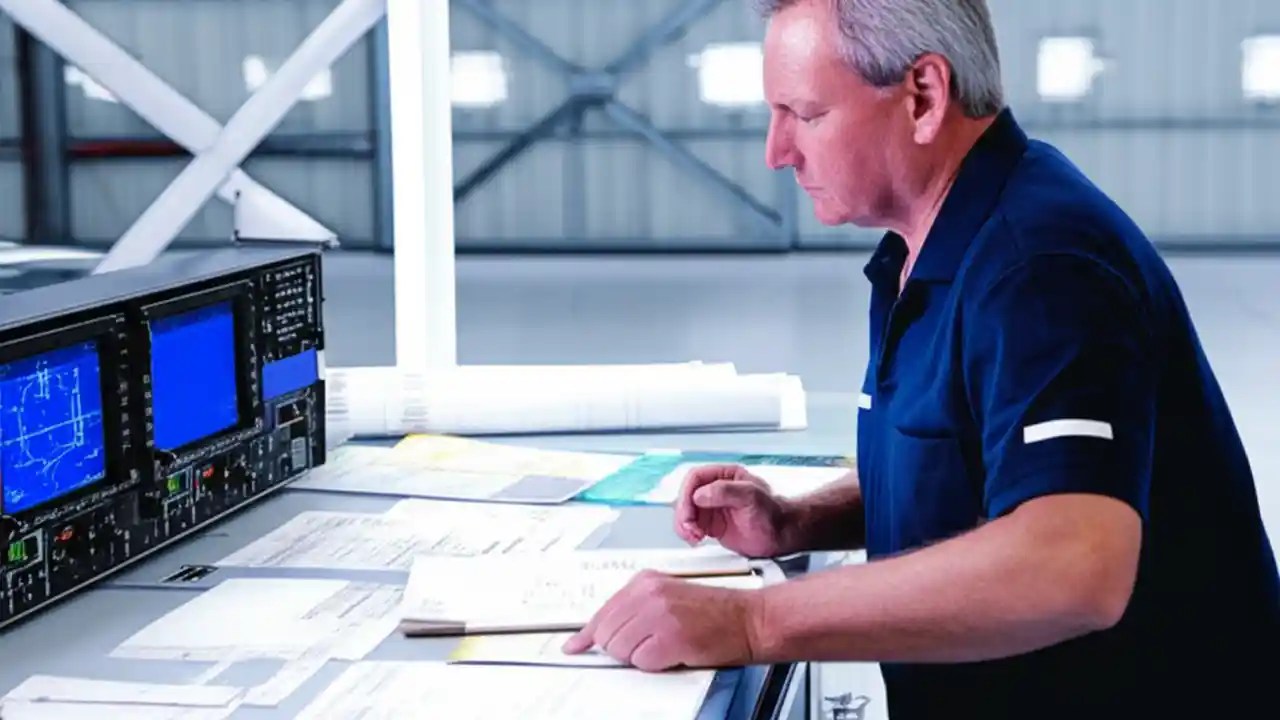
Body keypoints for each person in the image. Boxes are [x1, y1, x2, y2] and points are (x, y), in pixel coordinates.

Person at [563, 0, 1280, 717]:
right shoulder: (932, 248)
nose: (777, 152)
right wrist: (797, 521)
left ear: (924, 98)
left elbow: (1073, 562)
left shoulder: (1038, 266)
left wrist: (753, 623)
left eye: (806, 114)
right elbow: (969, 464)